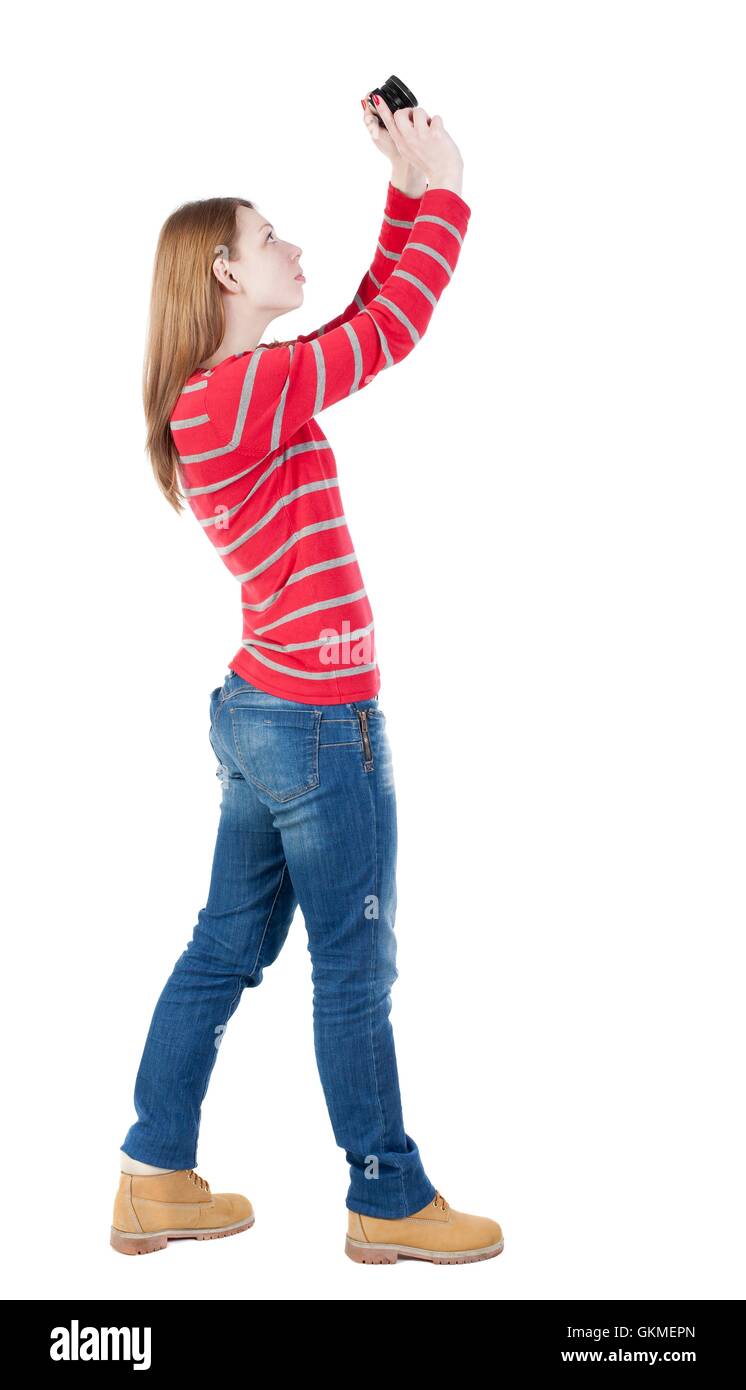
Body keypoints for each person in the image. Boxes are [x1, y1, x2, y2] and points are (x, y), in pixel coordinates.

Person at [111, 91, 503, 1265]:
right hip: (317, 725)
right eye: (269, 236)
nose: (291, 247)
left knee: (224, 947)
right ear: (225, 276)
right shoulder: (244, 391)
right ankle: (385, 1198)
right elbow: (391, 331)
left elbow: (367, 317)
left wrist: (407, 191)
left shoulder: (222, 393)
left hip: (263, 711)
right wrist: (450, 192)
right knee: (353, 966)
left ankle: (153, 1177)